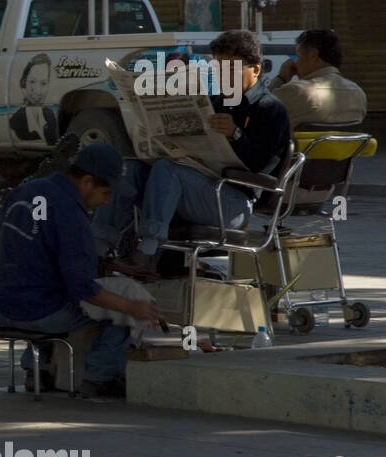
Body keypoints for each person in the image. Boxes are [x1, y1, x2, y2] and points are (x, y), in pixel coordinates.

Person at [96, 29, 292, 277]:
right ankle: (97, 250)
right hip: (198, 184)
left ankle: (146, 253)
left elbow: (262, 166)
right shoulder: (216, 101)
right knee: (130, 170)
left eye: (231, 69)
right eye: (219, 68)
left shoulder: (270, 109)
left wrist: (236, 134)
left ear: (255, 69)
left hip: (232, 201)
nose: (223, 76)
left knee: (169, 171)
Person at [0, 142, 161, 398]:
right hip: (40, 313)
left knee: (40, 292)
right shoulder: (71, 214)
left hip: (0, 306)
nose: (106, 202)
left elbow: (34, 250)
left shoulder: (28, 190)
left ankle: (37, 370)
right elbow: (84, 289)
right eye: (107, 193)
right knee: (120, 315)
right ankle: (100, 378)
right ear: (87, 182)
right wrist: (132, 307)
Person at [267, 29, 366, 129]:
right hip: (347, 145)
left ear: (313, 55)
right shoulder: (358, 93)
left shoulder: (295, 91)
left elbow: (257, 112)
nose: (295, 63)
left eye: (298, 56)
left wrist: (281, 78)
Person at [9, 53, 59, 144]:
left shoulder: (50, 116)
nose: (38, 91)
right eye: (32, 81)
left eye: (43, 83)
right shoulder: (15, 122)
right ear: (23, 84)